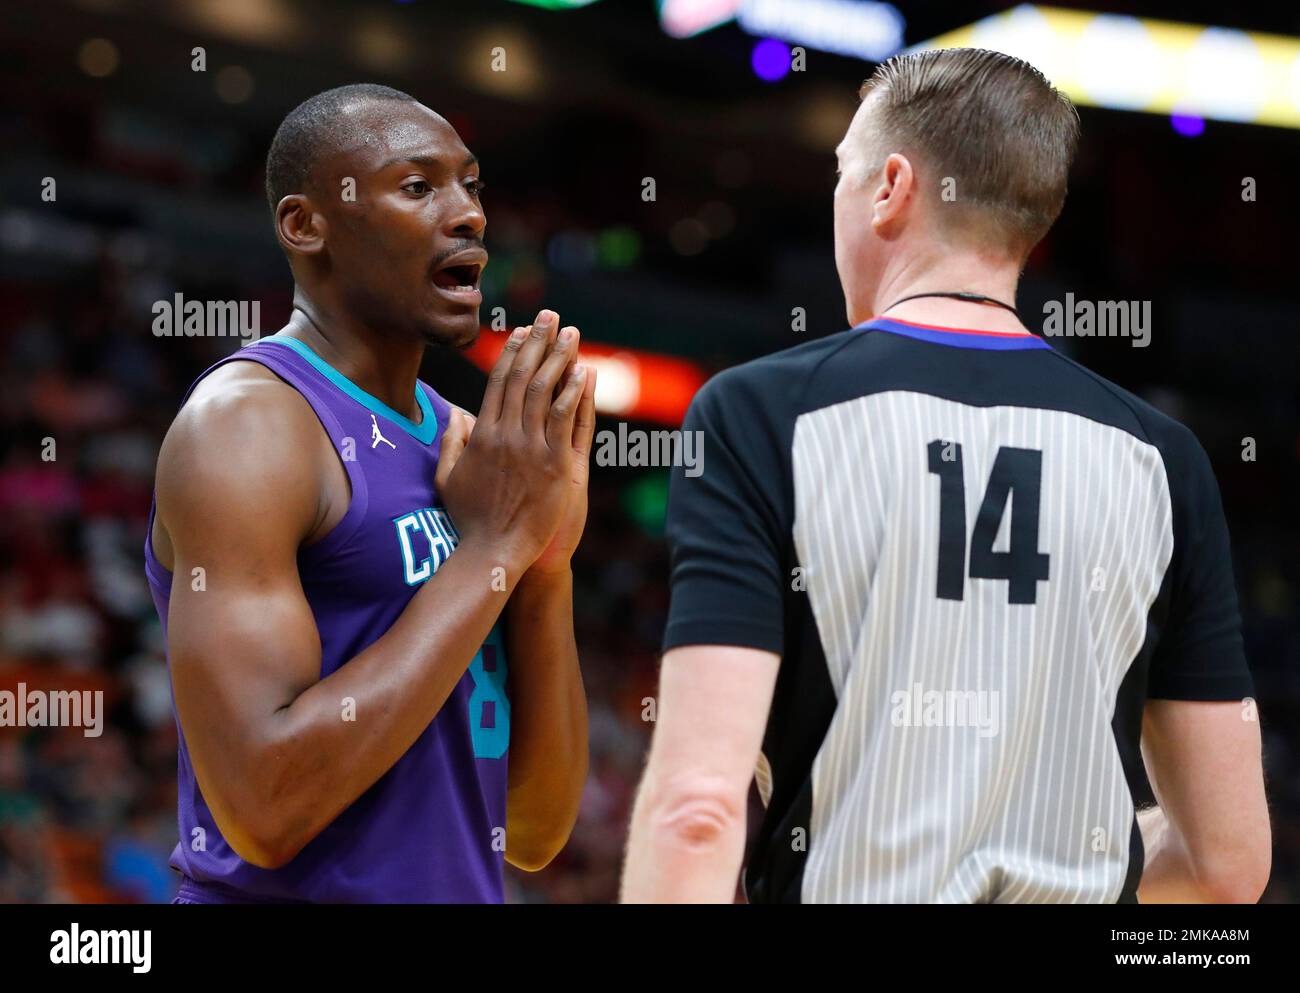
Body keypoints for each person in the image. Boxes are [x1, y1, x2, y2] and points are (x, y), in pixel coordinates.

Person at [621, 49, 1270, 904]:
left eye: (843, 177)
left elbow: (699, 811)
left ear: (891, 186)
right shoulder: (1163, 457)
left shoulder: (759, 413)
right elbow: (1227, 864)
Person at [146, 84, 595, 902]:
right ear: (305, 224)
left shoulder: (475, 445)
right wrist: (494, 547)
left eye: (471, 184)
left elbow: (533, 831)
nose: (469, 215)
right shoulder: (248, 427)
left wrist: (545, 562)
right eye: (418, 186)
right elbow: (263, 808)